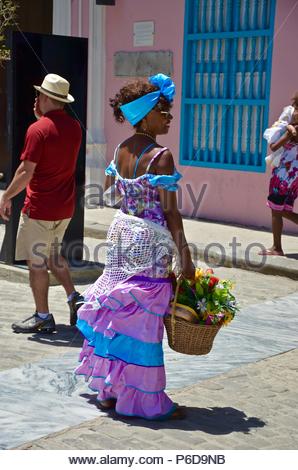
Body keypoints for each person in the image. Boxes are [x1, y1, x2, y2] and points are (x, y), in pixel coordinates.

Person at [75, 73, 195, 420]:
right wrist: (185, 257)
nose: (169, 117)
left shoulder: (119, 149)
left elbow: (111, 192)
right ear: (145, 115)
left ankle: (110, 391)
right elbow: (172, 213)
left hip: (121, 235)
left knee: (117, 314)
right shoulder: (161, 156)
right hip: (148, 242)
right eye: (163, 110)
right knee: (142, 319)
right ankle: (143, 399)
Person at [0, 73, 84, 333]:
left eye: (39, 94)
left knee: (36, 263)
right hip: (64, 207)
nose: (35, 98)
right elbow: (55, 146)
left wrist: (6, 195)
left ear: (47, 97)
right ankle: (74, 298)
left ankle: (43, 315)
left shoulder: (37, 130)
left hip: (40, 208)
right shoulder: (74, 127)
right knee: (51, 254)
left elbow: (26, 172)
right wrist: (43, 121)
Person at [260, 94, 298, 256]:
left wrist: (287, 129)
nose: (293, 111)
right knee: (283, 209)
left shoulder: (292, 131)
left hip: (284, 174)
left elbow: (274, 146)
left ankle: (277, 248)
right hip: (294, 175)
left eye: (296, 108)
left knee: (276, 209)